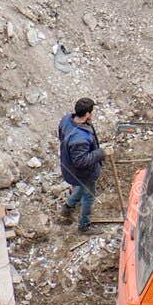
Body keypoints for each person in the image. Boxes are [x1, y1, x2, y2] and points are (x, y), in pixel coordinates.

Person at [58, 98, 105, 232]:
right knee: (88, 196)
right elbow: (81, 161)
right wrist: (101, 153)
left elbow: (61, 136)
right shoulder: (80, 139)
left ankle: (68, 207)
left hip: (69, 166)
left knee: (81, 188)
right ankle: (84, 225)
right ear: (88, 114)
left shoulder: (66, 119)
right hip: (83, 173)